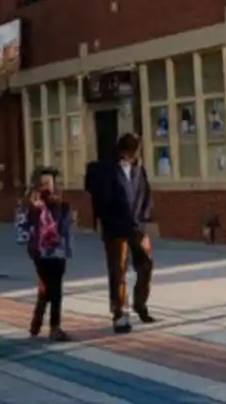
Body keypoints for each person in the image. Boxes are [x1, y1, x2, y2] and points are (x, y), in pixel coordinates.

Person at [85, 132, 155, 334]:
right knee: (118, 271)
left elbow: (146, 194)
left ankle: (140, 304)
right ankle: (120, 314)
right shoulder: (107, 170)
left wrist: (144, 216)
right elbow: (101, 200)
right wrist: (107, 220)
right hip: (115, 229)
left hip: (137, 227)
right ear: (129, 151)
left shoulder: (138, 170)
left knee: (146, 265)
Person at [16, 167, 74, 339]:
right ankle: (53, 327)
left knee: (50, 289)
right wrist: (32, 208)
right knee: (52, 289)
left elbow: (65, 228)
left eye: (49, 184)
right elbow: (21, 228)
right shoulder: (29, 205)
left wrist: (56, 208)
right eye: (42, 184)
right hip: (40, 253)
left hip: (58, 251)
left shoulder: (62, 205)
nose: (46, 188)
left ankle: (38, 324)